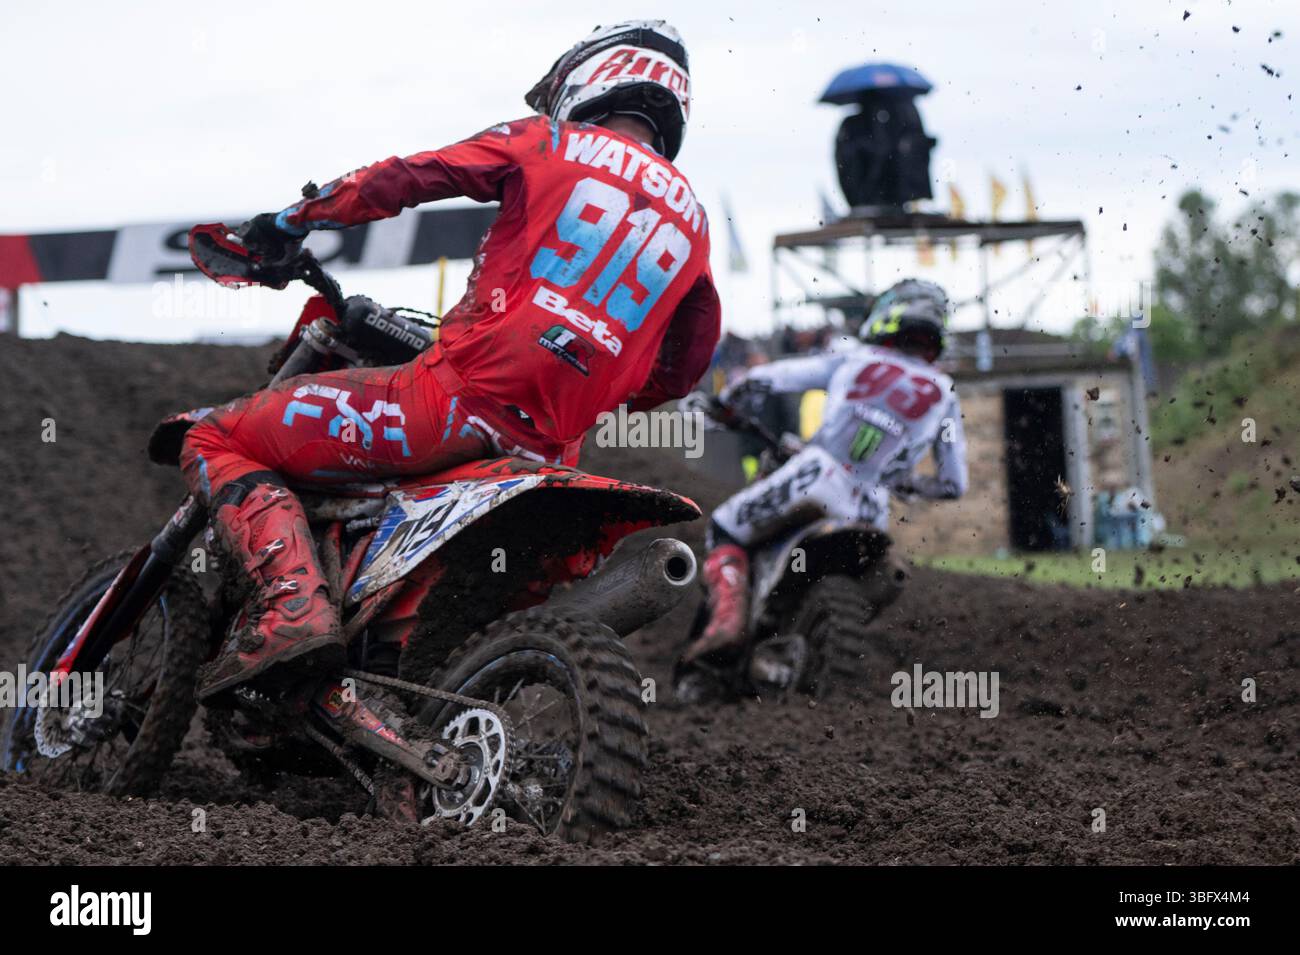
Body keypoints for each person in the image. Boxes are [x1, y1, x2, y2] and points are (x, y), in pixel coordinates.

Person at [181, 20, 720, 700]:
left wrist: (293, 220)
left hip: (448, 406)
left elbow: (412, 176)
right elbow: (683, 369)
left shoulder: (548, 141)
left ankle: (293, 608)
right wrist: (587, 379)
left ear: (590, 79)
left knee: (216, 434)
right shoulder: (695, 223)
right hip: (550, 456)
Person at [681, 278, 966, 669]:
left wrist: (725, 405)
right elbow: (953, 483)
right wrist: (905, 482)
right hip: (873, 506)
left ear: (890, 316)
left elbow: (766, 378)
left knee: (725, 527)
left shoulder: (855, 358)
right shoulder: (945, 392)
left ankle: (726, 625)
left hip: (817, 476)